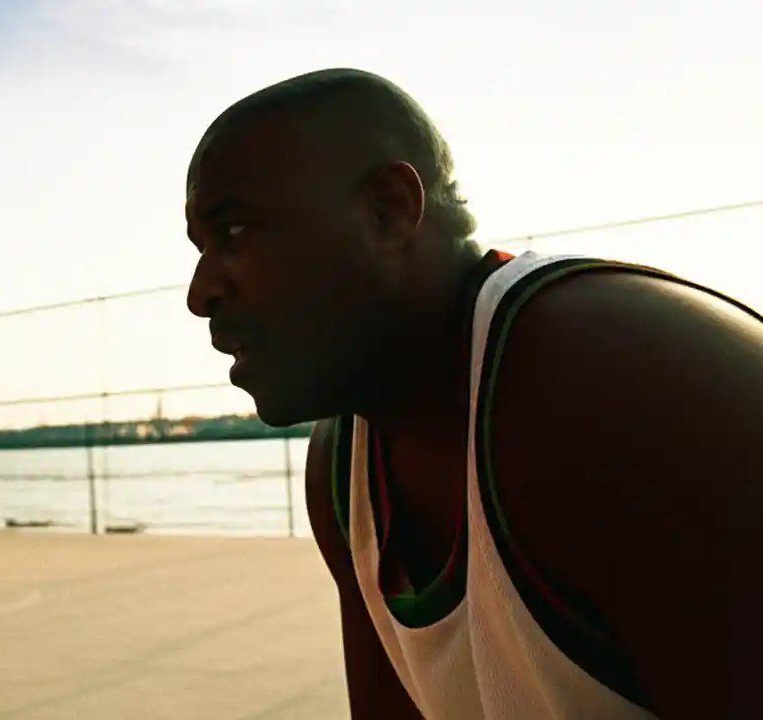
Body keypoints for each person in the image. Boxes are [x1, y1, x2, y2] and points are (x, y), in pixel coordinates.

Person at [183, 68, 762, 719]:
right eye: (200, 249)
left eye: (234, 232)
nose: (198, 293)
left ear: (390, 209)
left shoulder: (621, 378)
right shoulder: (344, 462)